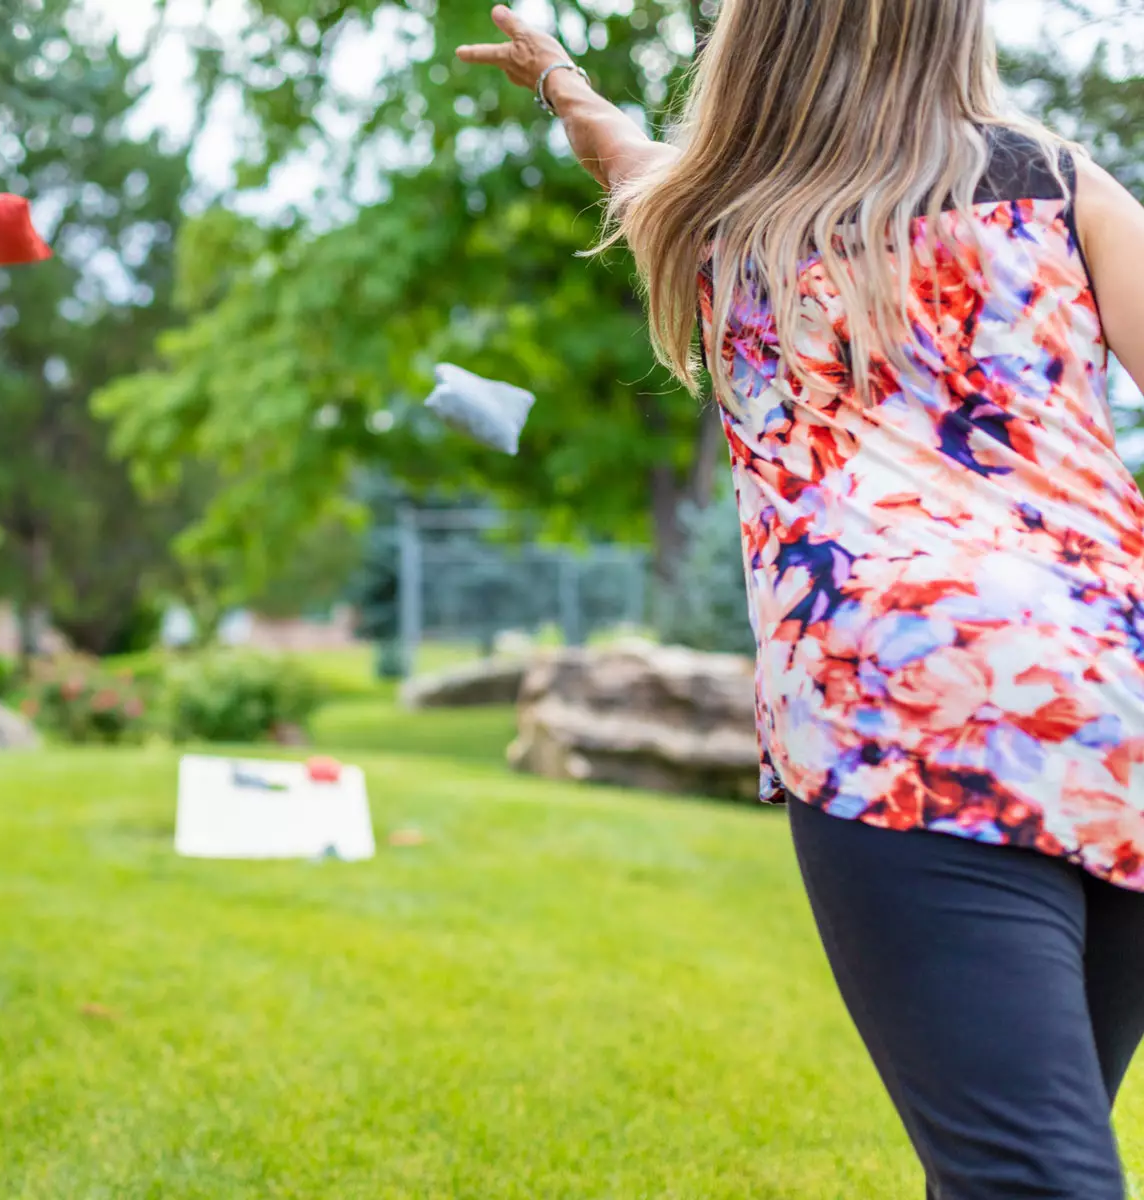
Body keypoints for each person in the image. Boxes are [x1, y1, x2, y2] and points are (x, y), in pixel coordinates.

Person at [461, 2, 1144, 1194]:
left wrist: (560, 76)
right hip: (1117, 697)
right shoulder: (1065, 185)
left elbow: (619, 152)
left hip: (904, 713)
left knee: (1022, 1168)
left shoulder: (726, 215)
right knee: (1023, 1142)